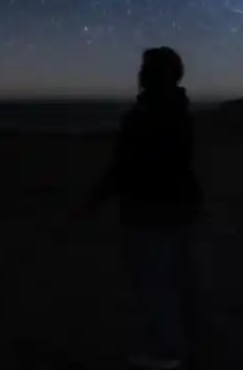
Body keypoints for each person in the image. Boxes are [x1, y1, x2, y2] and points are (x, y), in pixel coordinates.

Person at [85, 47, 201, 370]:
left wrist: (94, 201)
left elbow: (125, 166)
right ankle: (184, 343)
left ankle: (166, 352)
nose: (140, 73)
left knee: (154, 284)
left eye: (146, 68)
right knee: (177, 279)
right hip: (179, 208)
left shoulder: (147, 114)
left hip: (149, 211)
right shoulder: (179, 110)